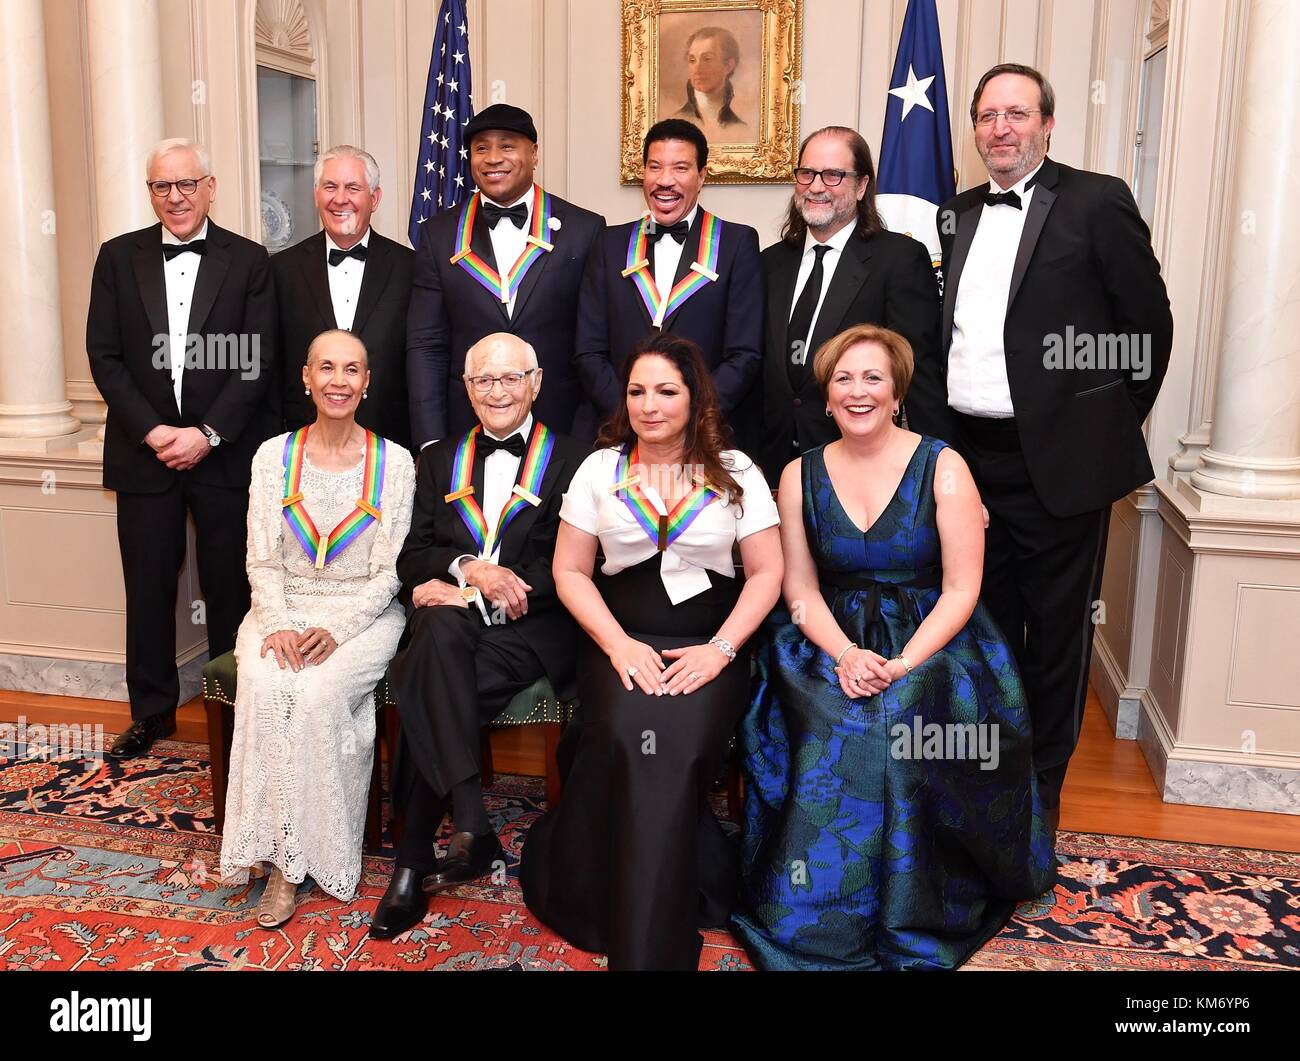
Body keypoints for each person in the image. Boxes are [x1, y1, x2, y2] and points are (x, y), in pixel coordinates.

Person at [732, 324, 1053, 971]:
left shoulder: (945, 466)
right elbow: (798, 589)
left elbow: (964, 588)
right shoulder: (797, 475)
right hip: (828, 633)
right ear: (825, 397)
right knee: (835, 718)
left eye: (872, 377)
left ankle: (917, 906)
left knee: (903, 718)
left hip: (932, 633)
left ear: (897, 391)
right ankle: (813, 912)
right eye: (843, 379)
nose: (858, 391)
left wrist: (905, 662)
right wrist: (846, 654)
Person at [906, 63, 1173, 828]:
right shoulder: (955, 214)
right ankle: (982, 782)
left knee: (1055, 639)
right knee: (979, 630)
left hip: (1061, 465)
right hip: (968, 464)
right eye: (987, 115)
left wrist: (1102, 424)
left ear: (1047, 123)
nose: (1000, 128)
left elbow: (1147, 330)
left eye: (1016, 114)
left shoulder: (1096, 200)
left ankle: (1038, 798)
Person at [522, 333, 783, 971]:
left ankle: (648, 944)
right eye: (637, 391)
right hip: (619, 639)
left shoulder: (738, 470)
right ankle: (617, 907)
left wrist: (720, 652)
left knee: (675, 743)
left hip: (710, 645)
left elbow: (769, 574)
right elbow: (571, 573)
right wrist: (617, 645)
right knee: (628, 735)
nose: (649, 404)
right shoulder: (598, 469)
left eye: (667, 390)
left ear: (696, 399)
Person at [371, 333, 587, 940]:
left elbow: (577, 562)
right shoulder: (438, 460)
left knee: (425, 677)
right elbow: (412, 557)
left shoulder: (575, 458)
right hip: (455, 625)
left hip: (529, 629)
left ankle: (424, 857)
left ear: (536, 382)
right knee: (437, 635)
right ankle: (462, 823)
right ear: (466, 391)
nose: (497, 392)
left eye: (510, 378)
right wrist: (469, 572)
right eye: (483, 381)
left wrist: (495, 587)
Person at [86, 137, 277, 759]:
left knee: (229, 585)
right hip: (144, 452)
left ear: (210, 187)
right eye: (162, 187)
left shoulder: (249, 261)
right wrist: (153, 431)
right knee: (146, 586)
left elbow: (256, 362)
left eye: (186, 184)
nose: (175, 198)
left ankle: (234, 711)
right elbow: (105, 358)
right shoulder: (117, 258)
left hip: (222, 453)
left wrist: (207, 435)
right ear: (151, 193)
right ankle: (150, 713)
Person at [218, 329, 415, 928]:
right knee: (267, 680)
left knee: (315, 692)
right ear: (306, 377)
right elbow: (260, 559)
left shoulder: (395, 462)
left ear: (366, 382)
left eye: (350, 370)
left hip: (363, 615)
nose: (338, 381)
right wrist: (276, 623)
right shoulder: (272, 456)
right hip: (280, 606)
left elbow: (389, 576)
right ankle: (267, 847)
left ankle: (301, 860)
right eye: (325, 368)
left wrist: (337, 629)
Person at [743, 125, 939, 486]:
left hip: (862, 472)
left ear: (862, 186)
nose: (816, 186)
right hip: (770, 470)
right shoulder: (768, 263)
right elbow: (754, 371)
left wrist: (941, 477)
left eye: (834, 175)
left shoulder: (899, 260)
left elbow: (920, 375)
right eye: (807, 173)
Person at [406, 104, 604, 445]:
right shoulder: (438, 235)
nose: (493, 158)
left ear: (535, 153)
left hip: (561, 429)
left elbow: (594, 346)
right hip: (465, 430)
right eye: (481, 148)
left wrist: (586, 438)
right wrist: (430, 440)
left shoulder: (584, 230)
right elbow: (427, 345)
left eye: (507, 146)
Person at [573, 119, 762, 439]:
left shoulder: (736, 244)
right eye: (655, 167)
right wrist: (631, 411)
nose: (665, 180)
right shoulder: (608, 244)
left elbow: (745, 355)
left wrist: (691, 415)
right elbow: (588, 352)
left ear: (702, 176)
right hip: (620, 432)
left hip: (704, 435)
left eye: (680, 168)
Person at [275, 145, 415, 452]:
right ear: (316, 195)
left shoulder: (412, 269)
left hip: (391, 445)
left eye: (353, 188)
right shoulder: (280, 270)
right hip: (303, 445)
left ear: (374, 198)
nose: (340, 199)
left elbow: (423, 362)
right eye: (330, 187)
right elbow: (271, 365)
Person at [672, 27, 747, 139]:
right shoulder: (675, 123)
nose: (697, 68)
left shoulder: (741, 129)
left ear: (728, 66)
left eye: (707, 59)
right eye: (692, 60)